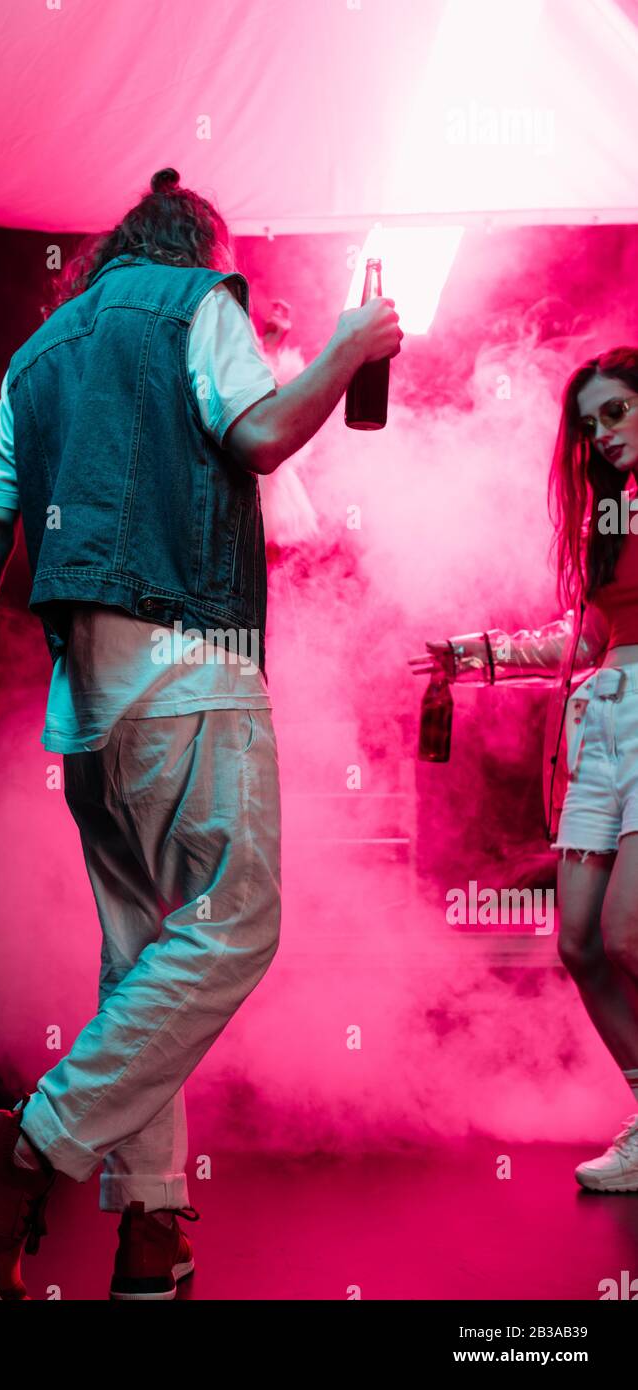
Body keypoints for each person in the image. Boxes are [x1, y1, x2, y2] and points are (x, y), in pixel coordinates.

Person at [0, 167, 402, 1300]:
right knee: (238, 924)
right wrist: (349, 345)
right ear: (197, 245)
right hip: (190, 676)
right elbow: (264, 432)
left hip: (86, 711)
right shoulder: (197, 298)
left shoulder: (36, 358)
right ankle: (23, 1141)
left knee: (140, 963)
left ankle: (152, 1230)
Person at [411, 346, 638, 1194]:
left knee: (625, 932)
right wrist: (473, 655)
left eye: (615, 412)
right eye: (589, 425)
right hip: (603, 724)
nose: (600, 436)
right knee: (578, 941)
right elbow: (581, 640)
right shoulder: (606, 521)